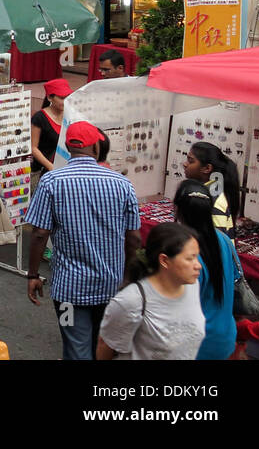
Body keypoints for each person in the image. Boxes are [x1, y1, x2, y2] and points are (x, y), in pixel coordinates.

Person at [26, 121, 141, 361]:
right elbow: (134, 238)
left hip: (69, 292)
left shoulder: (51, 182)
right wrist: (128, 277)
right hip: (110, 286)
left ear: (68, 147)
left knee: (74, 345)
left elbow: (38, 234)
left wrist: (33, 275)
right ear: (96, 149)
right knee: (104, 346)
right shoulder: (122, 184)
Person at [97, 222, 206, 360]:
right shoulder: (131, 301)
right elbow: (105, 347)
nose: (198, 266)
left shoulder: (192, 286)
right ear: (164, 260)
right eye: (190, 258)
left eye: (197, 257)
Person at [173, 179, 237, 360]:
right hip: (224, 337)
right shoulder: (224, 240)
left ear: (177, 209)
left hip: (196, 344)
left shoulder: (184, 250)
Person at [184, 142, 239, 234]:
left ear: (207, 168)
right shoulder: (204, 193)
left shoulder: (213, 200)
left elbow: (216, 243)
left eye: (191, 161)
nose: (185, 164)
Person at [31, 78, 70, 180]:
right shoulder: (39, 118)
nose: (65, 101)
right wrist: (51, 167)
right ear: (49, 98)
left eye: (67, 97)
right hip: (45, 171)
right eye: (61, 98)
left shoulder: (70, 116)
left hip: (65, 169)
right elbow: (33, 148)